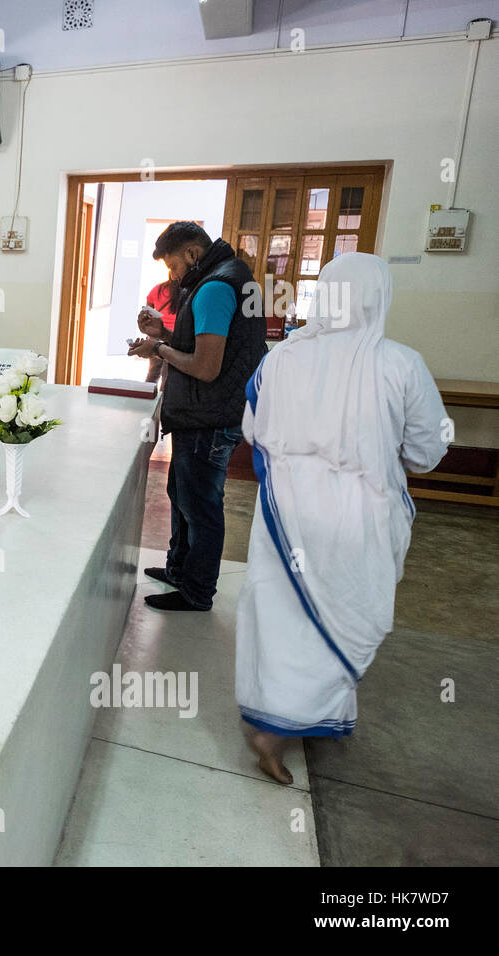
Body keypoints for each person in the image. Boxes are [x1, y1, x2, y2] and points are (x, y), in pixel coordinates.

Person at [236, 253, 448, 784]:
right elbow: (428, 450)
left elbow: (251, 430)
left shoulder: (281, 358)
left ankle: (281, 722)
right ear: (380, 297)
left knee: (284, 616)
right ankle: (290, 724)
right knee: (346, 616)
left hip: (287, 511)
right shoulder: (401, 363)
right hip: (361, 517)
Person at [128, 221, 266, 611]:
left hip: (208, 416)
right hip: (209, 411)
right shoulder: (233, 277)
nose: (172, 276)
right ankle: (179, 570)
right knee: (183, 494)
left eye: (173, 266)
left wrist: (157, 349)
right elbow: (212, 345)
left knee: (201, 506)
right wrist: (165, 335)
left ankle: (197, 590)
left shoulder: (215, 288)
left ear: (192, 254)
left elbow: (205, 367)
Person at [141, 272, 180, 383]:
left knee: (153, 373)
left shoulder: (158, 289)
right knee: (167, 376)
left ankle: (147, 396)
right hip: (174, 337)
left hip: (155, 336)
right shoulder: (186, 292)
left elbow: (148, 310)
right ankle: (163, 399)